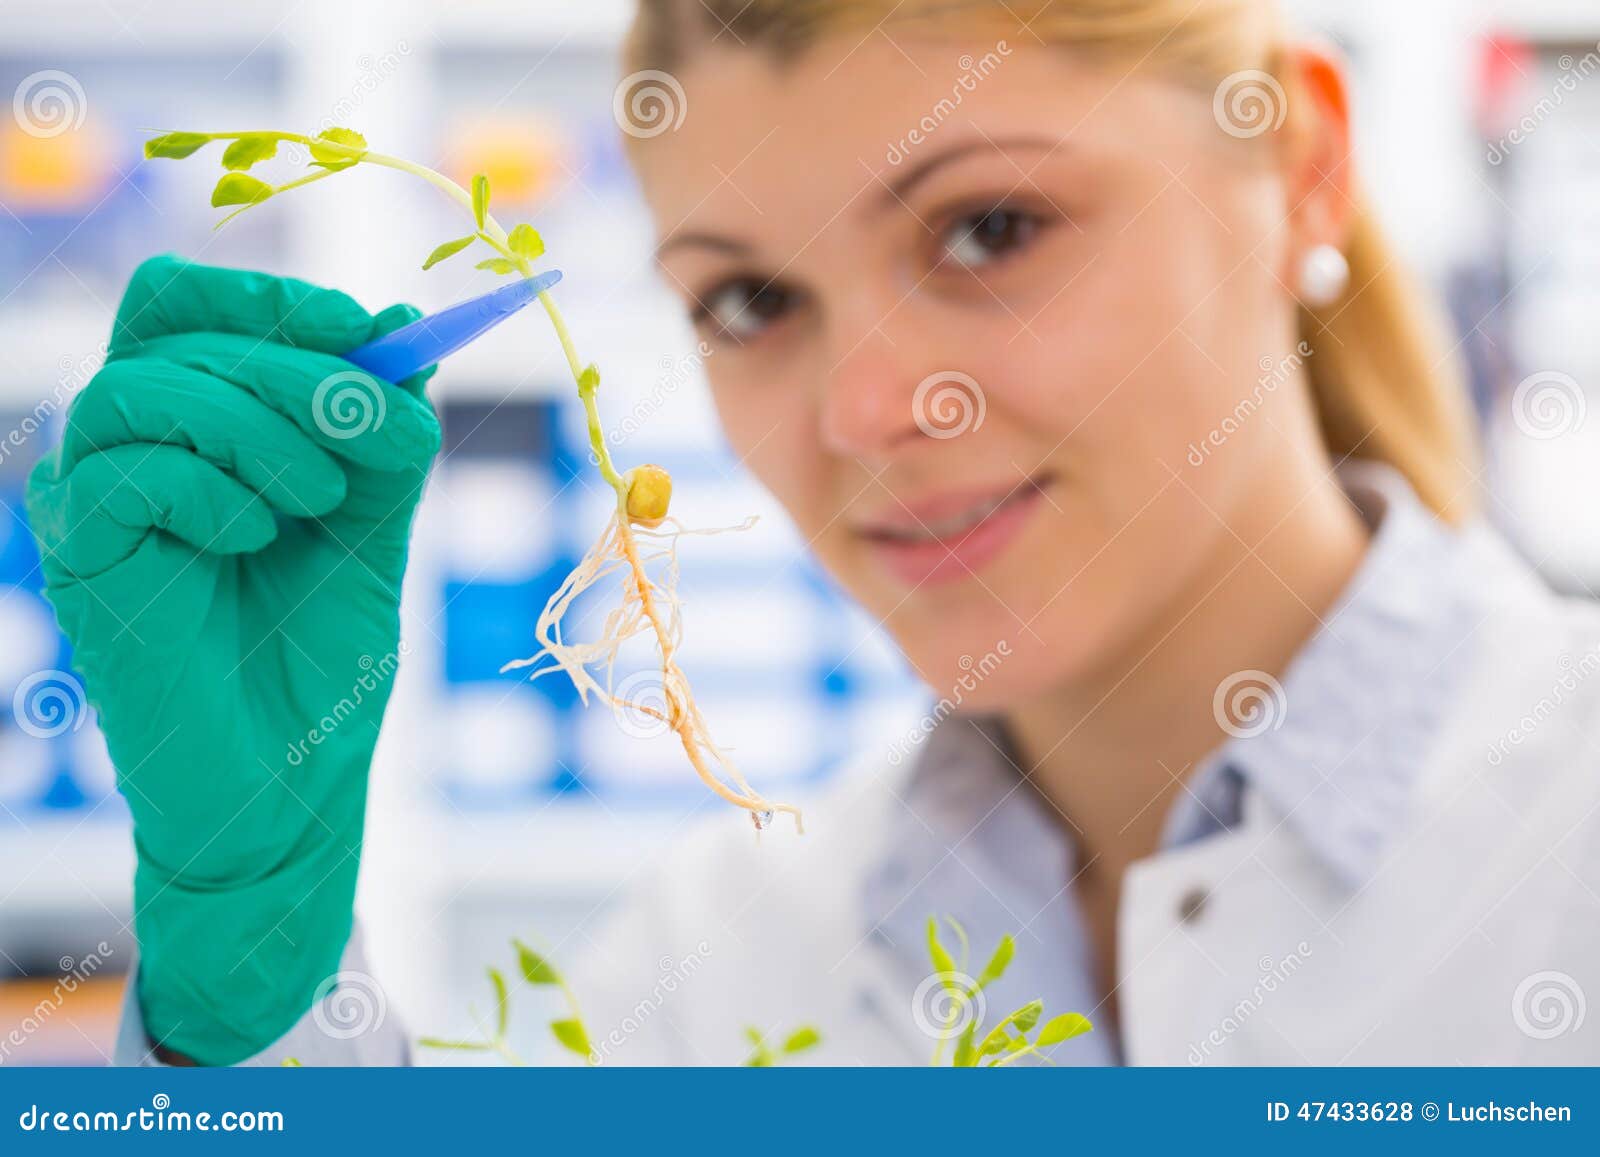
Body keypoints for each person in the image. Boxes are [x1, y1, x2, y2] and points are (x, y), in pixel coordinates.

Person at [28, 0, 1596, 1067]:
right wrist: (250, 1002)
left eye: (988, 230)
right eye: (749, 301)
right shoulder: (708, 978)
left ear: (1299, 165)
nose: (860, 409)